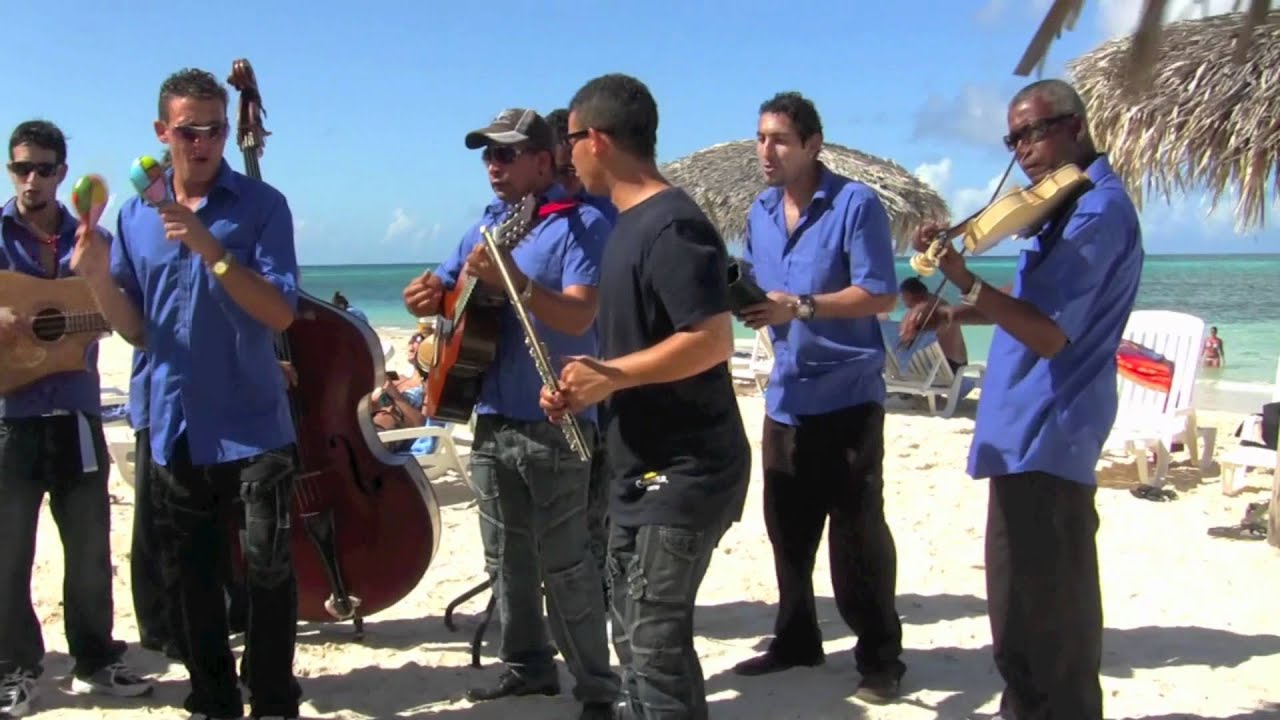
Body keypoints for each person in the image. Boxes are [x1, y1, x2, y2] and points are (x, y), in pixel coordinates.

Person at [901, 78, 1143, 720]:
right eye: (1013, 137)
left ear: (1076, 126)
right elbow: (1029, 310)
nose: (1024, 150)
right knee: (1018, 616)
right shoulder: (1060, 206)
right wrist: (952, 311)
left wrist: (964, 278)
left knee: (1049, 627)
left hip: (1051, 433)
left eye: (1035, 131)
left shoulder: (1096, 211)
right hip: (1020, 432)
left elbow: (1051, 333)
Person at [72, 68, 303, 720]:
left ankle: (275, 697)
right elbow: (136, 328)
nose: (202, 143)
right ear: (161, 133)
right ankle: (213, 698)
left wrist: (214, 252)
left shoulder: (262, 206)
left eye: (214, 129)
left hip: (253, 420)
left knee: (267, 570)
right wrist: (96, 277)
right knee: (192, 577)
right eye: (188, 131)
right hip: (173, 420)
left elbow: (281, 312)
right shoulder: (135, 215)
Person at [541, 73, 752, 720]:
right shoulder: (626, 227)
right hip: (641, 465)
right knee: (636, 641)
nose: (564, 155)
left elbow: (712, 340)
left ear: (597, 140)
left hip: (688, 470)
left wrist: (613, 376)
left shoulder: (672, 227)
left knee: (653, 643)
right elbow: (642, 346)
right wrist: (588, 385)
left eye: (570, 140)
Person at [401, 107, 618, 720]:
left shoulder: (580, 227)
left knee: (568, 564)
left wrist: (516, 281)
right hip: (492, 415)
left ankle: (597, 686)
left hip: (558, 422)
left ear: (544, 162)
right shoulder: (484, 227)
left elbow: (580, 317)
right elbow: (448, 296)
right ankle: (526, 669)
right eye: (486, 155)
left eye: (505, 154)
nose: (492, 166)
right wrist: (424, 297)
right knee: (505, 557)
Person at [728, 92, 906, 703]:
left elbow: (880, 294)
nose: (766, 150)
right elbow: (762, 291)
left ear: (812, 145)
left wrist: (801, 305)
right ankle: (797, 639)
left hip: (850, 397)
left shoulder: (856, 204)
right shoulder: (759, 211)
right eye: (759, 138)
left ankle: (881, 658)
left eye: (778, 138)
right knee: (787, 531)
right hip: (786, 397)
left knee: (856, 538)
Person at [0, 120, 154, 718]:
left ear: (63, 172)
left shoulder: (91, 237)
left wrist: (97, 272)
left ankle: (94, 658)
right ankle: (14, 668)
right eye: (20, 168)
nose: (31, 179)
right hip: (11, 415)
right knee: (9, 550)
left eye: (43, 168)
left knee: (90, 547)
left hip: (78, 414)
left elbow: (120, 314)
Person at [546, 108, 619, 225]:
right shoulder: (526, 206)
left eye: (576, 169)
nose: (575, 177)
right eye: (561, 172)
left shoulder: (609, 207)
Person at [899, 276, 968, 372]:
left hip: (947, 365)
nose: (902, 300)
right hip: (958, 362)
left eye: (903, 297)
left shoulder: (924, 311)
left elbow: (908, 340)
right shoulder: (939, 304)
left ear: (909, 295)